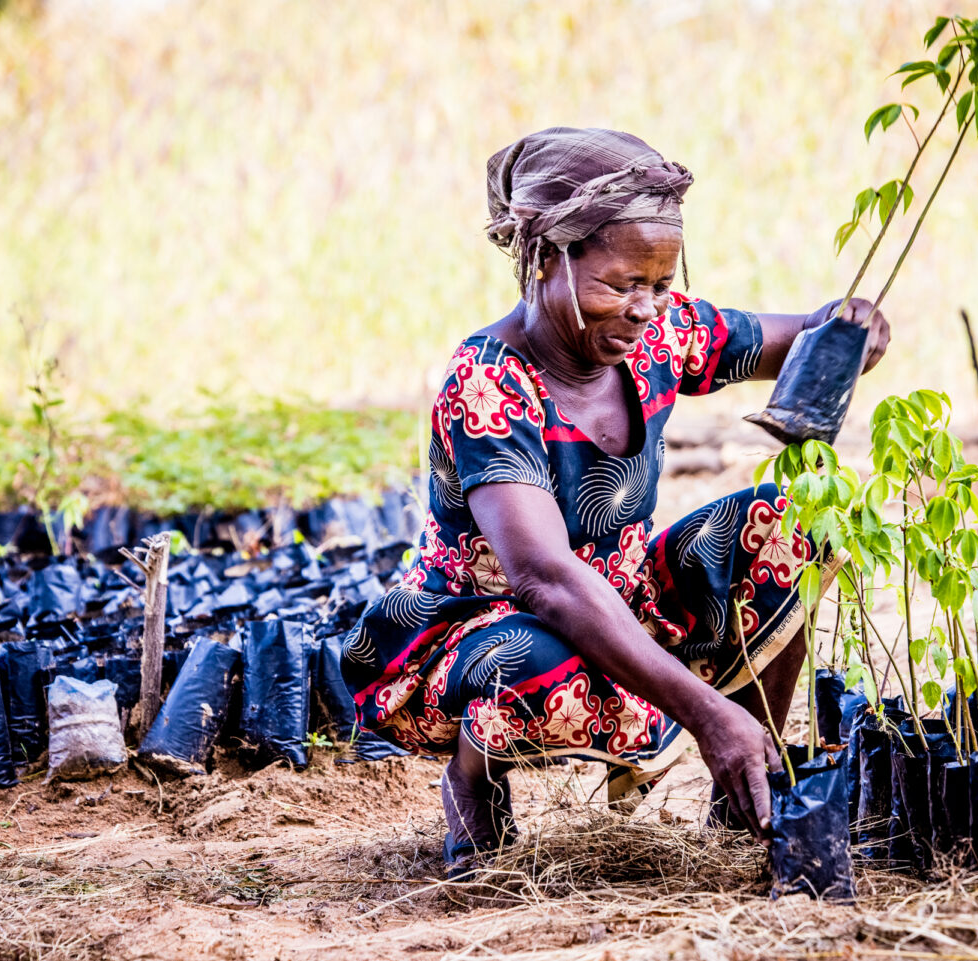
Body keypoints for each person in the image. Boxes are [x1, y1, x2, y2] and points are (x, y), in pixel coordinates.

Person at [341, 127, 889, 872]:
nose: (644, 308)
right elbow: (544, 579)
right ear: (546, 258)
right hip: (485, 628)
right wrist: (704, 712)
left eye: (659, 285)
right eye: (621, 284)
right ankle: (472, 777)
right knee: (531, 663)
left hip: (622, 596)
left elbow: (797, 337)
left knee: (791, 525)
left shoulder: (659, 333)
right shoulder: (490, 383)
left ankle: (743, 793)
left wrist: (849, 326)